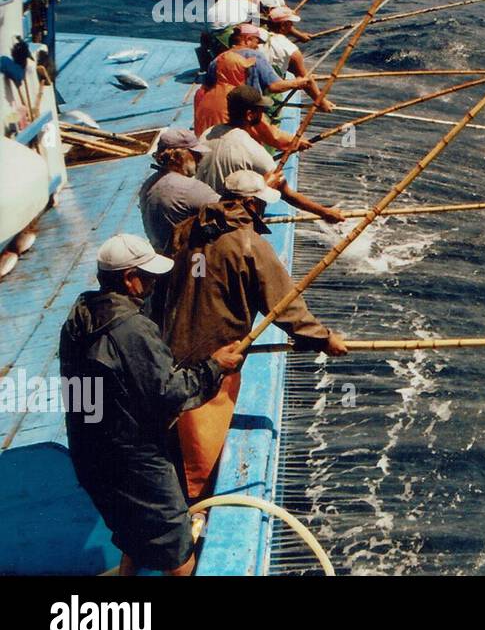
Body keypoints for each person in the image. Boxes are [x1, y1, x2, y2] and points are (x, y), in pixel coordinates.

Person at [59, 234, 244, 575]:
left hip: (89, 454)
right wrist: (215, 366)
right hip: (132, 462)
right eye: (148, 276)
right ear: (130, 279)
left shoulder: (79, 316)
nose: (153, 282)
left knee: (134, 532)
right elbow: (170, 393)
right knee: (175, 547)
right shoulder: (131, 328)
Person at [162, 170, 347, 499]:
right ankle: (196, 508)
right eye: (260, 204)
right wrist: (322, 338)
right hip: (212, 362)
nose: (262, 211)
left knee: (172, 433)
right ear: (248, 204)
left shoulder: (186, 229)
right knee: (201, 456)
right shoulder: (250, 245)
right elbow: (284, 307)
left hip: (167, 351)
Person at [196, 85, 345, 224]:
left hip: (202, 214)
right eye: (261, 110)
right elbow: (288, 195)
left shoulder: (207, 134)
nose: (264, 113)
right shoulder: (254, 150)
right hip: (228, 219)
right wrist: (325, 212)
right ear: (249, 114)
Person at [193, 24, 310, 137]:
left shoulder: (217, 59)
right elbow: (274, 86)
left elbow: (207, 87)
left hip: (218, 111)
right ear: (248, 39)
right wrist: (299, 82)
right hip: (245, 112)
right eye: (256, 42)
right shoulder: (254, 56)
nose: (257, 46)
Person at [139, 128, 219, 253]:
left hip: (163, 259)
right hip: (191, 262)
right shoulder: (190, 188)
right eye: (195, 153)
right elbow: (230, 211)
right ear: (180, 156)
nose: (200, 158)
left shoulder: (147, 185)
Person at [261, 6, 333, 113]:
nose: (292, 27)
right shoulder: (291, 50)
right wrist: (322, 102)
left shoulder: (256, 36)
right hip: (268, 95)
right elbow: (305, 81)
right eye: (290, 24)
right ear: (283, 25)